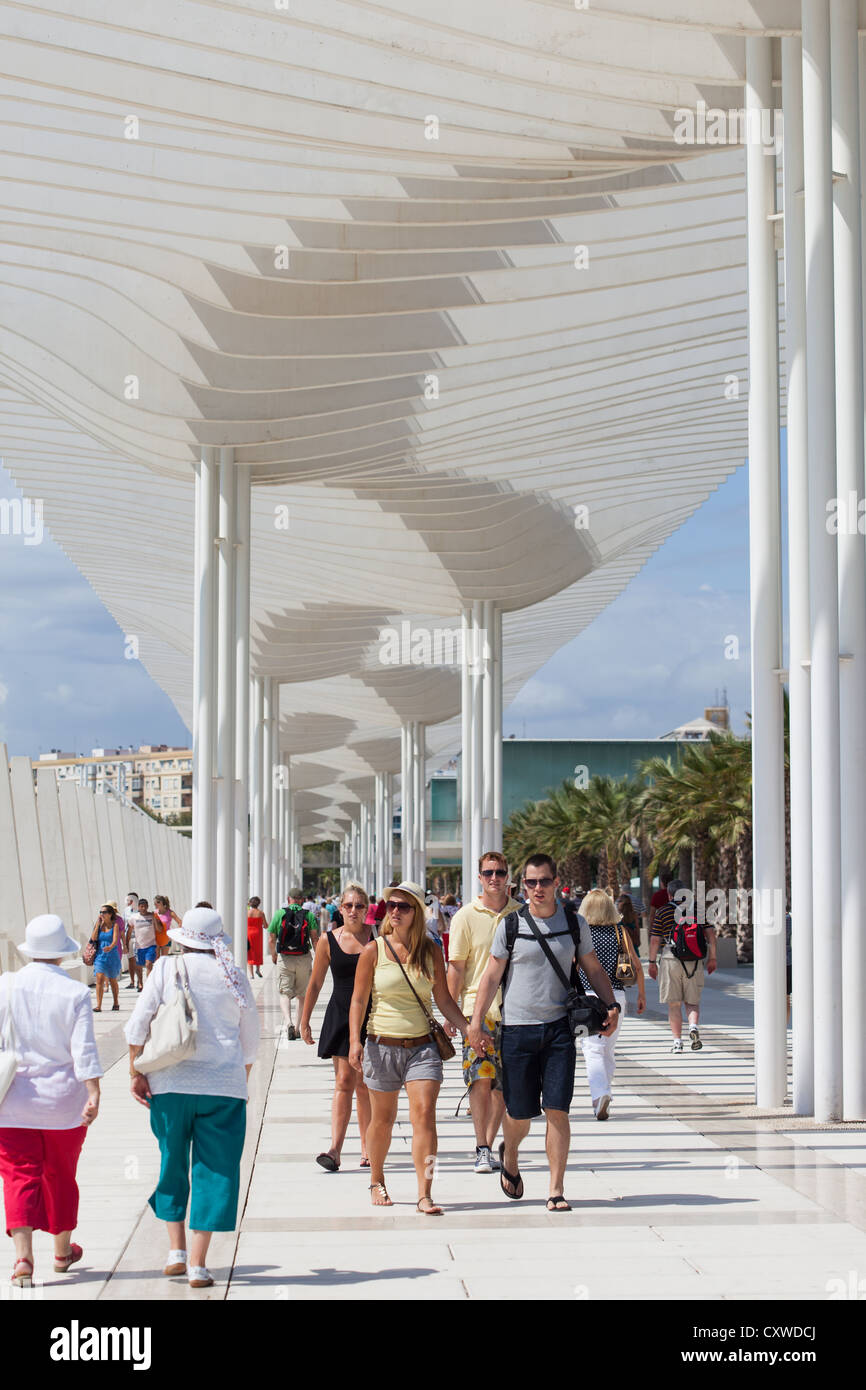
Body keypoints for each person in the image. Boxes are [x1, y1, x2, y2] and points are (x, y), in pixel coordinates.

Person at [468, 854, 618, 1212]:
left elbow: (593, 969)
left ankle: (556, 1188)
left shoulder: (573, 922)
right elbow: (490, 977)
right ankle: (511, 1153)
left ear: (556, 881)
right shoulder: (510, 926)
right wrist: (474, 1024)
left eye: (544, 881)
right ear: (524, 884)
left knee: (557, 1110)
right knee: (519, 1115)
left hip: (559, 1032)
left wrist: (611, 1004)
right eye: (532, 882)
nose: (538, 889)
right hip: (517, 1031)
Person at [125, 906, 260, 1290]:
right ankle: (199, 1265)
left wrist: (136, 1072)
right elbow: (250, 1042)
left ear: (184, 938)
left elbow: (137, 1026)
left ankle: (176, 1251)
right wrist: (237, 1081)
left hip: (170, 1084)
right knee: (215, 1170)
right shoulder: (234, 974)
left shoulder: (166, 969)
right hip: (223, 1089)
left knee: (172, 1163)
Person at [349, 880, 469, 1214]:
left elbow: (442, 998)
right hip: (381, 1045)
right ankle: (377, 1179)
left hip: (423, 1048)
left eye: (404, 906)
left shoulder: (431, 951)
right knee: (382, 1121)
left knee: (425, 1116)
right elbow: (358, 1000)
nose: (396, 912)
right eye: (392, 906)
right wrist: (355, 1041)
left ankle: (425, 1191)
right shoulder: (373, 950)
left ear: (417, 912)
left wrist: (467, 1027)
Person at [0, 915, 102, 1287]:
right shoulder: (75, 993)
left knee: (18, 1176)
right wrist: (93, 1091)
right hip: (63, 1105)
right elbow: (84, 1050)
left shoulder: (5, 986)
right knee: (61, 1173)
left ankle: (23, 1260)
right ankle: (61, 1252)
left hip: (11, 1103)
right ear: (62, 954)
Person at [446, 851, 520, 1173]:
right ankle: (482, 1146)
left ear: (508, 875)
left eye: (500, 872)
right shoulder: (465, 916)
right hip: (478, 1012)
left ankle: (489, 1143)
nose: (494, 878)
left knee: (504, 1087)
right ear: (479, 877)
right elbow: (457, 969)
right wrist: (453, 1016)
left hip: (516, 1012)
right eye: (488, 872)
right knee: (480, 1079)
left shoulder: (521, 914)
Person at [299, 882, 373, 1171]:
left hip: (372, 1014)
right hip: (341, 1014)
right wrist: (303, 1020)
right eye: (348, 905)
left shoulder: (377, 938)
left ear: (367, 909)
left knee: (365, 1084)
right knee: (344, 1081)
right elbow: (315, 982)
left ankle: (368, 1147)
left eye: (359, 906)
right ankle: (335, 1149)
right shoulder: (328, 941)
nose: (353, 910)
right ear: (340, 908)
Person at [577, 889, 645, 1120]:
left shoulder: (582, 932)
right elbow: (636, 964)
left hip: (589, 995)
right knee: (606, 1048)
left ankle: (600, 1094)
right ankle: (604, 1091)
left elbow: (574, 965)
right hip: (617, 996)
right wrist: (642, 994)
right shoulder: (620, 931)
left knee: (592, 1048)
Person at [648, 878, 717, 1052]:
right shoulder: (698, 910)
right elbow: (711, 935)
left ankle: (677, 1042)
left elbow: (655, 939)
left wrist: (651, 962)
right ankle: (693, 1026)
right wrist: (712, 958)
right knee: (692, 1001)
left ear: (669, 894)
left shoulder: (663, 911)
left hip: (670, 958)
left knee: (674, 1003)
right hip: (693, 960)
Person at [268, 889, 318, 1040]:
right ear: (301, 900)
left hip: (285, 957)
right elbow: (315, 939)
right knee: (302, 995)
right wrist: (318, 957)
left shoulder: (279, 914)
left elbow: (271, 938)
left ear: (288, 898)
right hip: (303, 957)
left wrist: (274, 955)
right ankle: (297, 1028)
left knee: (285, 992)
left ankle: (288, 1022)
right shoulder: (308, 915)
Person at [88, 905, 121, 1012]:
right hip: (100, 956)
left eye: (104, 912)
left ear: (110, 914)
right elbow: (93, 938)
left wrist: (110, 947)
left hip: (112, 956)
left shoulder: (115, 925)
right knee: (99, 979)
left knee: (112, 980)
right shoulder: (99, 926)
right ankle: (98, 1005)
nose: (102, 914)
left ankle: (116, 1002)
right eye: (100, 912)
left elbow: (115, 940)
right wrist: (98, 924)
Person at [127, 898, 158, 989]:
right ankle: (140, 983)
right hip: (139, 946)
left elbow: (158, 929)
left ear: (148, 906)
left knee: (148, 964)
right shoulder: (134, 917)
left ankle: (149, 985)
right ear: (138, 907)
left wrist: (154, 917)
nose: (143, 908)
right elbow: (129, 931)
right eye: (141, 906)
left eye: (145, 906)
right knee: (139, 965)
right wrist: (126, 944)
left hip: (151, 945)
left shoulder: (152, 916)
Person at [648, 869, 673, 938]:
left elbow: (652, 915)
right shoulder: (677, 894)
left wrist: (650, 930)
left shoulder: (657, 895)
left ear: (662, 883)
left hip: (661, 927)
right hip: (675, 926)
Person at [123, 892, 140, 989]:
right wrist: (124, 941)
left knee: (137, 960)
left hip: (138, 938)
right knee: (130, 960)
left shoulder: (141, 910)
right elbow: (125, 925)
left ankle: (139, 981)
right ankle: (132, 981)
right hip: (129, 937)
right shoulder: (126, 910)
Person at [247, 896, 266, 980]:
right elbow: (265, 925)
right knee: (258, 951)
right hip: (258, 934)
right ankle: (258, 970)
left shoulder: (247, 912)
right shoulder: (261, 913)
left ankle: (251, 975)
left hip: (249, 934)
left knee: (250, 952)